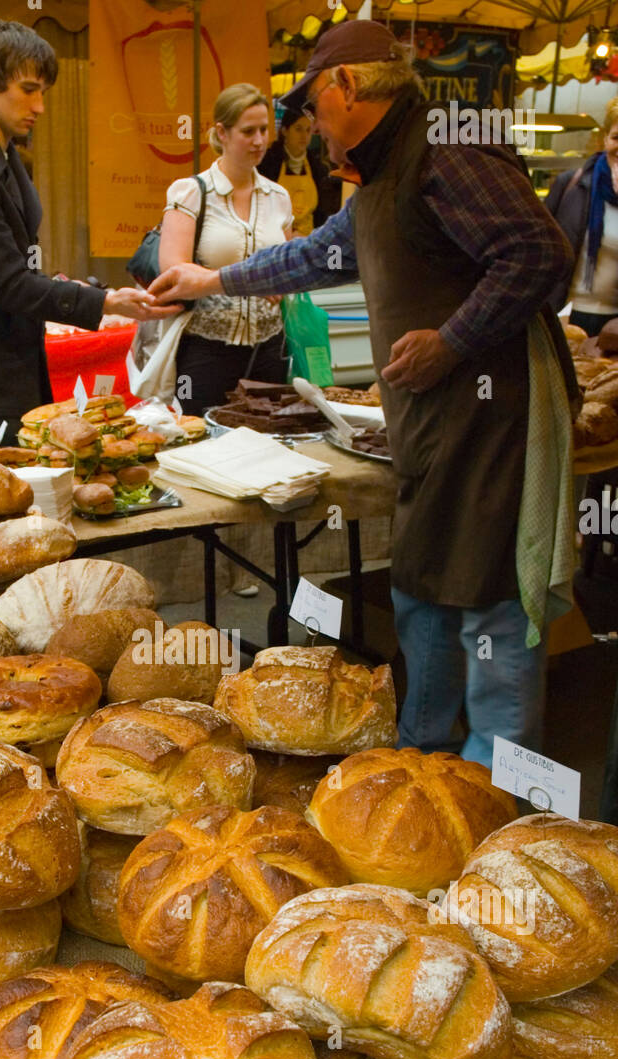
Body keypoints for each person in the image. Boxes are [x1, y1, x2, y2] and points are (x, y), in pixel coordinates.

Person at [151, 21, 577, 767]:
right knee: (425, 599)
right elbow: (318, 255)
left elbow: (538, 252)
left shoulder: (446, 149)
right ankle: (426, 775)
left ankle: (501, 811)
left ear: (346, 86)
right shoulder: (384, 175)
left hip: (496, 426)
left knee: (493, 614)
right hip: (435, 434)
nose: (312, 126)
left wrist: (454, 340)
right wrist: (210, 280)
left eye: (314, 105)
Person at [0, 21, 176, 450]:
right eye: (28, 90)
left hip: (13, 368)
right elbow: (8, 285)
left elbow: (15, 265)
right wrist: (105, 302)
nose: (39, 106)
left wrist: (68, 285)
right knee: (7, 509)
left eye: (42, 91)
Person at [158, 83, 294, 417]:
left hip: (270, 348)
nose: (260, 140)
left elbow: (289, 264)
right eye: (248, 131)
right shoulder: (191, 193)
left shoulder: (279, 197)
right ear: (222, 132)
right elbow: (173, 273)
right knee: (202, 446)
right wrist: (249, 280)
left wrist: (282, 281)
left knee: (268, 449)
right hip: (207, 351)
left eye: (264, 130)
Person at [545, 95, 618, 337]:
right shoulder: (571, 185)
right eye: (616, 137)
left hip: (613, 326)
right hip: (562, 313)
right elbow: (540, 247)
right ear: (604, 138)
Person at [258, 105, 341, 235]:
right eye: (298, 129)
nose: (304, 136)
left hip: (309, 239)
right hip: (275, 239)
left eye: (308, 130)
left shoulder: (318, 167)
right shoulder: (267, 163)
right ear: (285, 131)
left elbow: (322, 213)